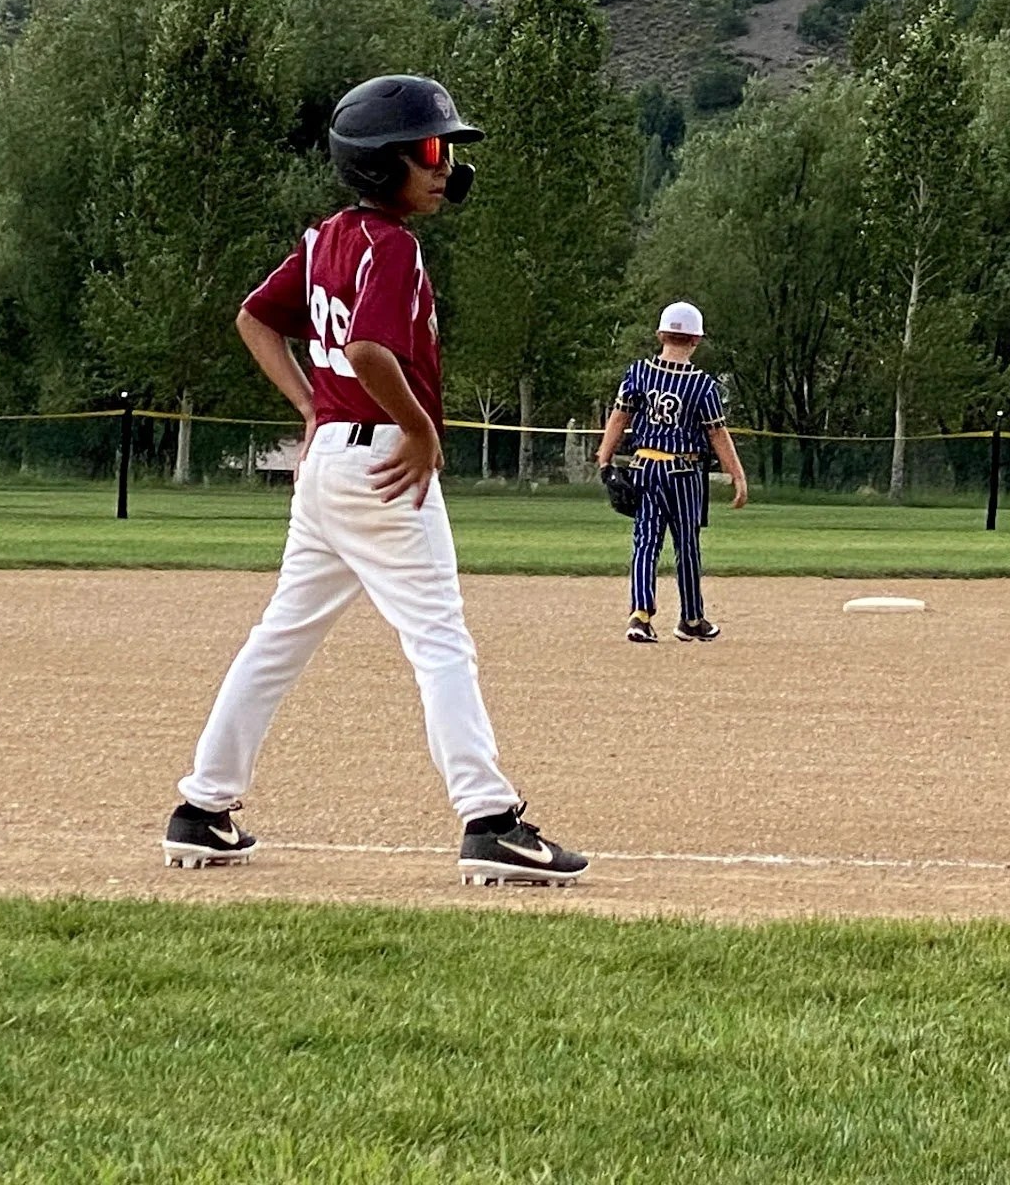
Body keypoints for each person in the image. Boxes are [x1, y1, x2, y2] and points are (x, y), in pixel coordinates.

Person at [161, 75, 588, 886]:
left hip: (331, 467)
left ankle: (202, 808)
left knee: (280, 638)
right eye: (429, 151)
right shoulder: (390, 246)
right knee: (438, 641)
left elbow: (256, 318)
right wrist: (421, 428)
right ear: (378, 164)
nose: (443, 167)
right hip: (385, 464)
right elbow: (365, 351)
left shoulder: (325, 239)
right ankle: (490, 819)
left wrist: (313, 409)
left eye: (446, 152)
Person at [595, 302, 749, 643]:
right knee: (687, 545)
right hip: (684, 471)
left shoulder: (639, 372)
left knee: (646, 542)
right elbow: (716, 433)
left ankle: (640, 616)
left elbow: (620, 417)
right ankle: (691, 619)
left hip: (645, 467)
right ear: (696, 340)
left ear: (661, 334)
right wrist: (736, 474)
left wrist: (604, 460)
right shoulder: (702, 385)